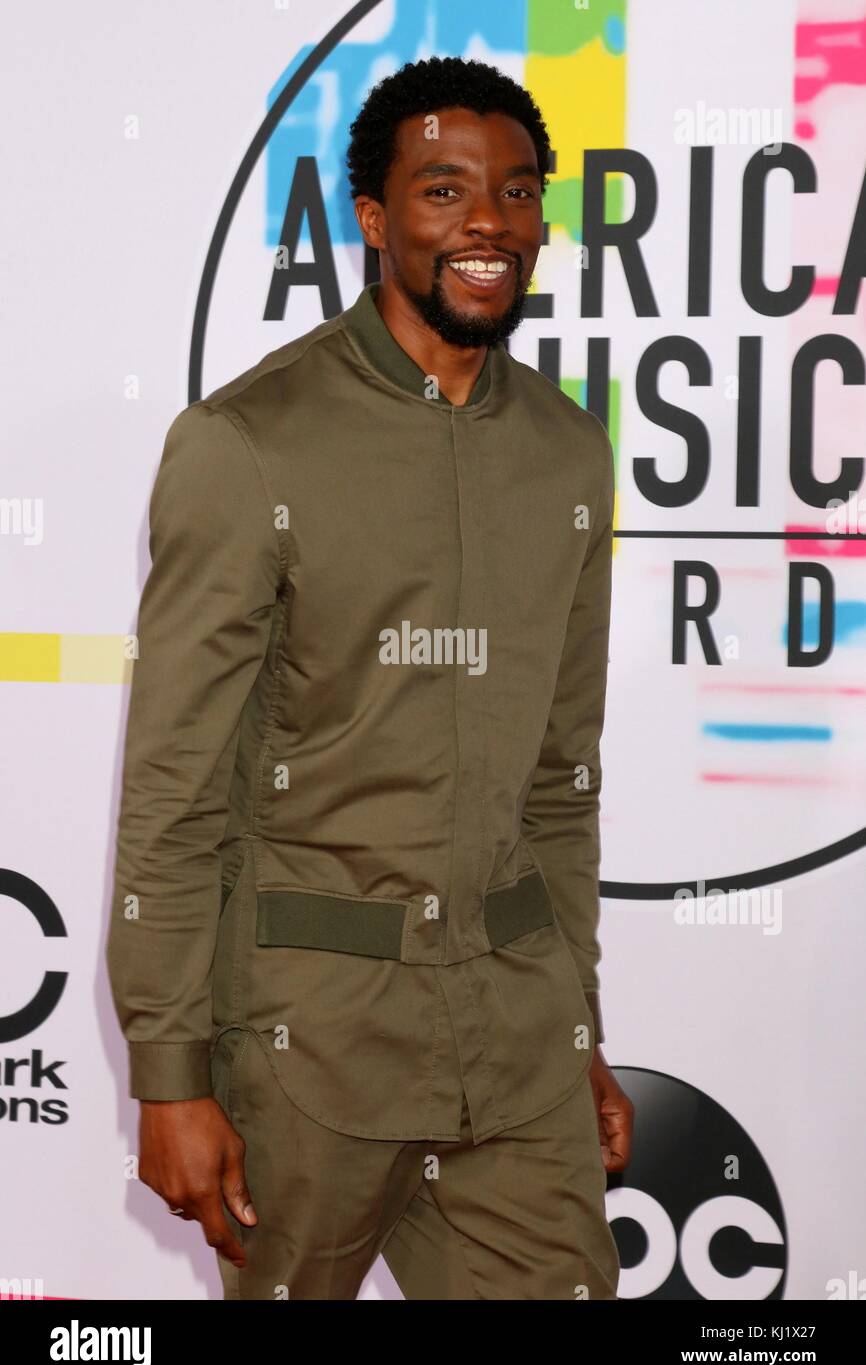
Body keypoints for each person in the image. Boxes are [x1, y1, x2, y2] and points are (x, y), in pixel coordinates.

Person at [106, 54, 633, 1301]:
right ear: (375, 219)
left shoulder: (565, 454)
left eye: (514, 192)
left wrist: (580, 1035)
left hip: (510, 1040)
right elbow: (173, 794)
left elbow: (558, 786)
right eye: (444, 190)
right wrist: (171, 1075)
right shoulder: (246, 444)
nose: (487, 224)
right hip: (311, 1046)